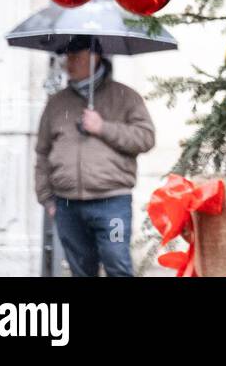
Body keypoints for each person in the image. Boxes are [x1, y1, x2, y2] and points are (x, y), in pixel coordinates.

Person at [34, 36, 155, 277]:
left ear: (95, 57)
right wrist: (47, 199)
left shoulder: (125, 96)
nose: (69, 63)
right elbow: (42, 152)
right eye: (67, 57)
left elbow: (145, 138)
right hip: (66, 204)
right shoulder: (57, 103)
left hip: (112, 202)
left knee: (117, 263)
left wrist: (102, 127)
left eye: (76, 57)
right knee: (80, 270)